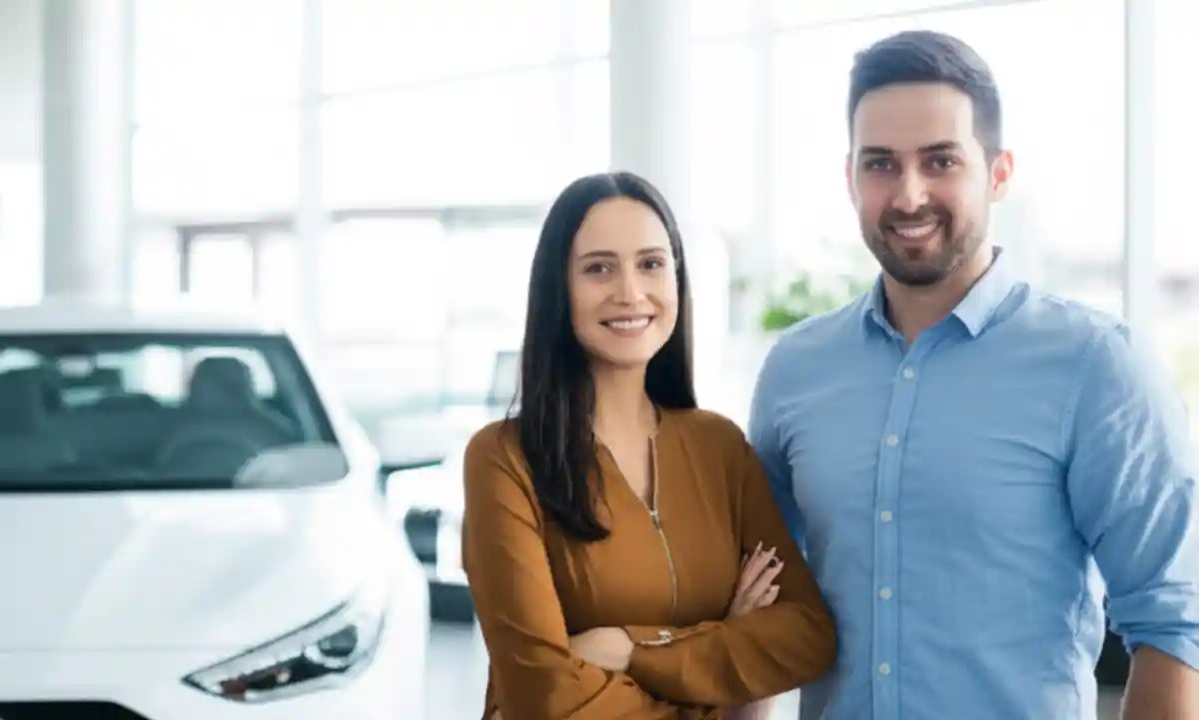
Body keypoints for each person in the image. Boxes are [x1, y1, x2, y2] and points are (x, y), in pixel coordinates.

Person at [748, 29, 1199, 720]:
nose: (908, 195)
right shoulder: (795, 371)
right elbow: (764, 608)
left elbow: (1174, 620)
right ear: (849, 177)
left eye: (940, 161)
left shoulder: (1096, 366)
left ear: (998, 171)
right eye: (881, 164)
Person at [462, 171, 837, 719]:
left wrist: (630, 650)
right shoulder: (504, 459)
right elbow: (545, 695)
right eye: (598, 268)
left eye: (651, 263)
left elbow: (806, 635)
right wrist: (721, 663)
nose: (630, 292)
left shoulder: (719, 447)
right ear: (557, 290)